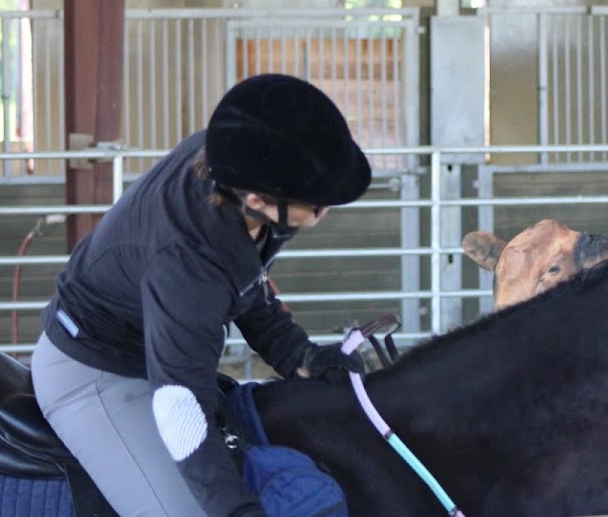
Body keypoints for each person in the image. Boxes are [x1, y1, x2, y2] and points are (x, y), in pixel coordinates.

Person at [31, 73, 369, 516]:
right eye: (317, 203)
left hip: (161, 350)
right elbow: (179, 406)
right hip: (97, 374)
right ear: (256, 200)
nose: (324, 211)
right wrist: (233, 509)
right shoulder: (186, 264)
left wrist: (296, 356)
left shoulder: (234, 162)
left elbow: (246, 278)